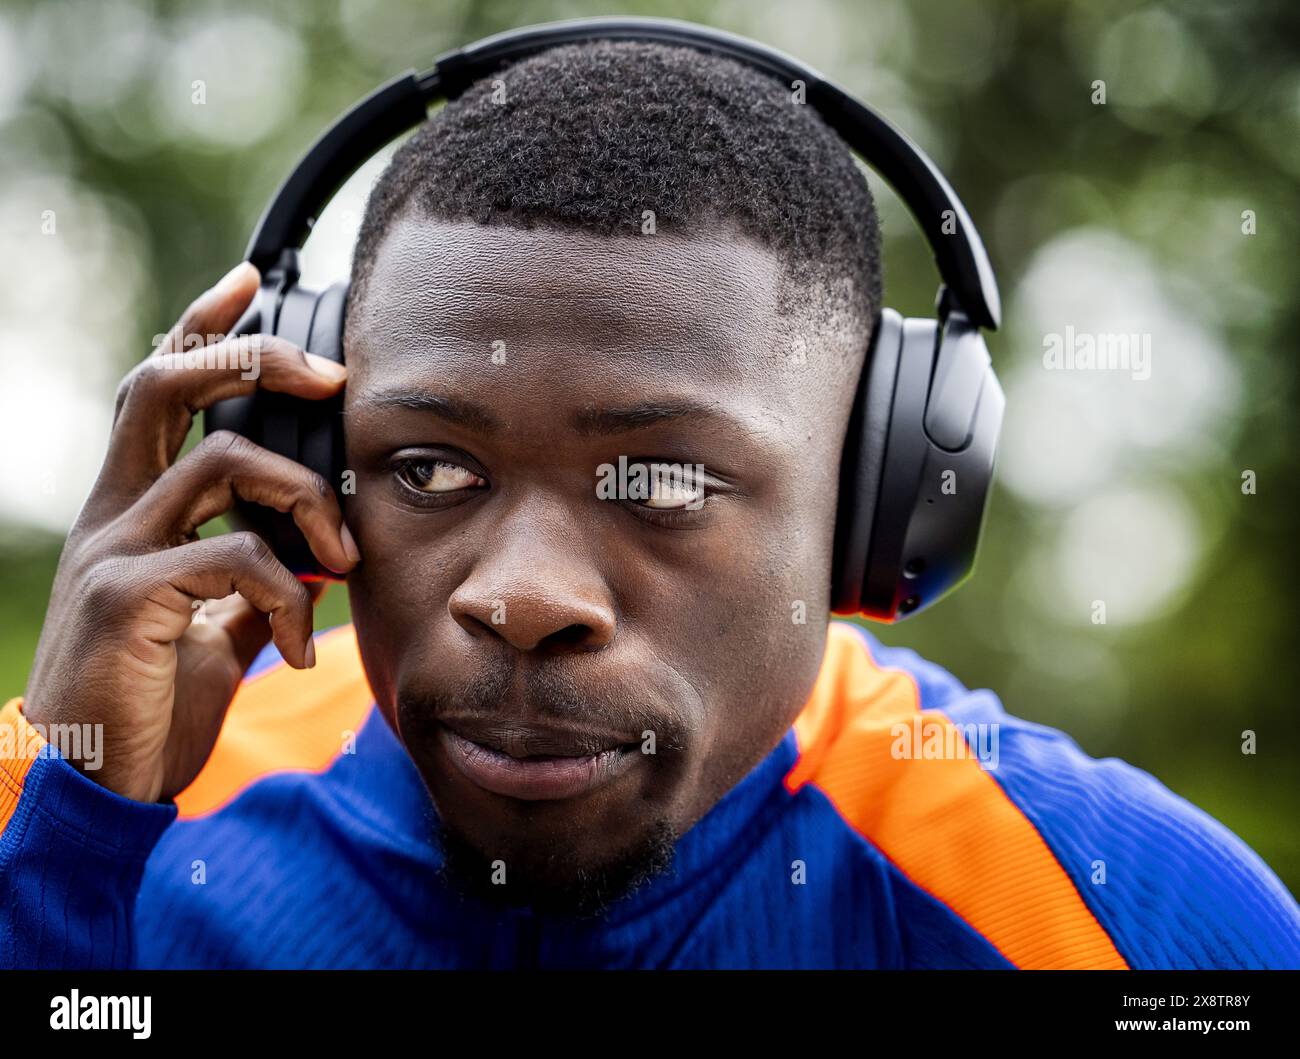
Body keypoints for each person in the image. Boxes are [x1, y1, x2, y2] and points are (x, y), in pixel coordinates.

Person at [2, 40, 1297, 969]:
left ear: (880, 514)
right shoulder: (93, 808)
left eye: (665, 478)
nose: (521, 600)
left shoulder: (1130, 918)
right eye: (432, 470)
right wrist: (66, 845)